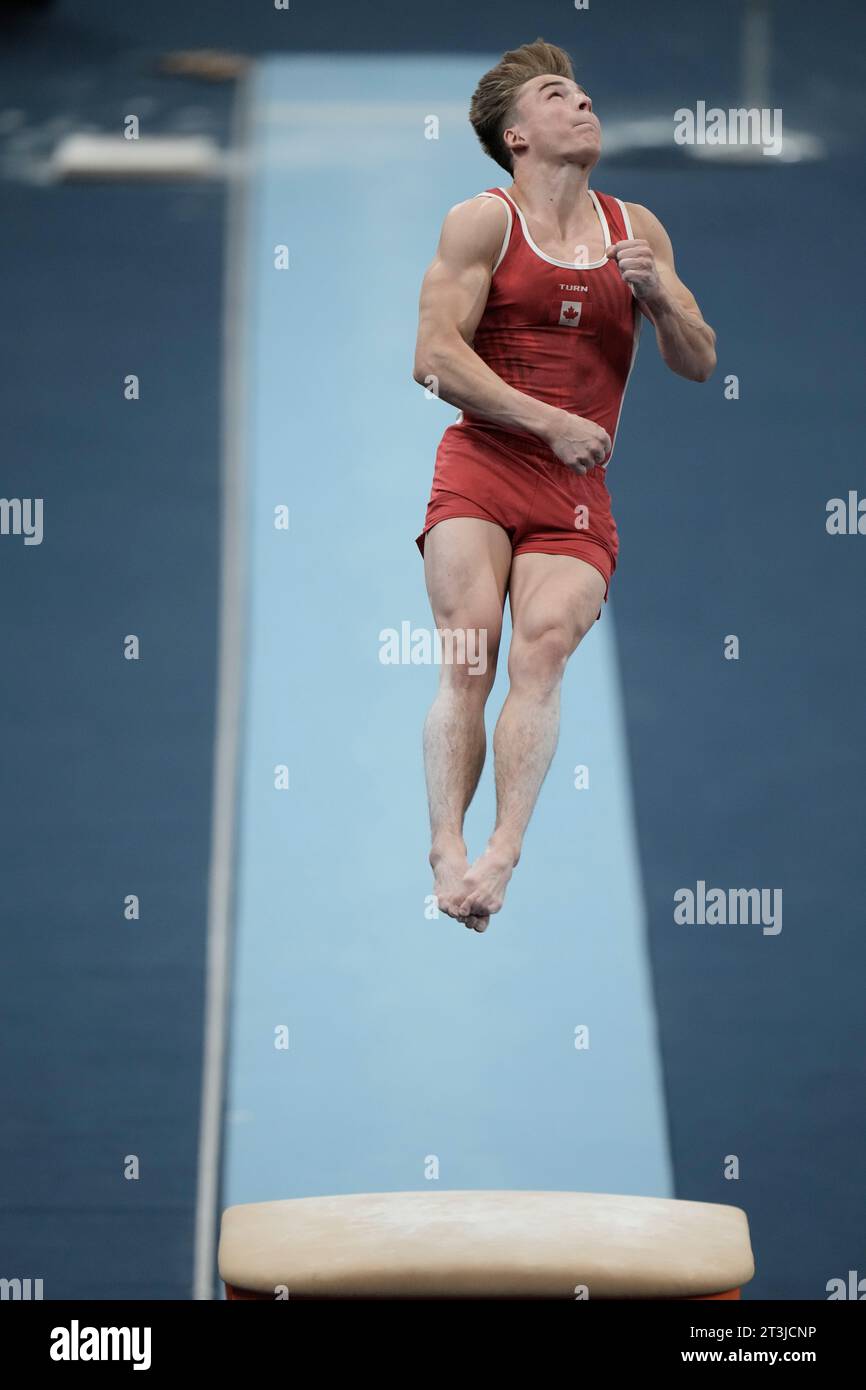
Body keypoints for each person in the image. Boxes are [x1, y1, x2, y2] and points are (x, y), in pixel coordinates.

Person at [413, 38, 716, 933]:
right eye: (557, 95)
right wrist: (544, 420)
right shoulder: (482, 223)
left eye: (584, 94)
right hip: (484, 462)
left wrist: (660, 295)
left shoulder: (638, 229)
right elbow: (432, 359)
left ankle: (500, 855)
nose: (582, 104)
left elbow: (699, 361)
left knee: (541, 650)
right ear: (516, 134)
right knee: (472, 648)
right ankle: (445, 849)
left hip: (576, 493)